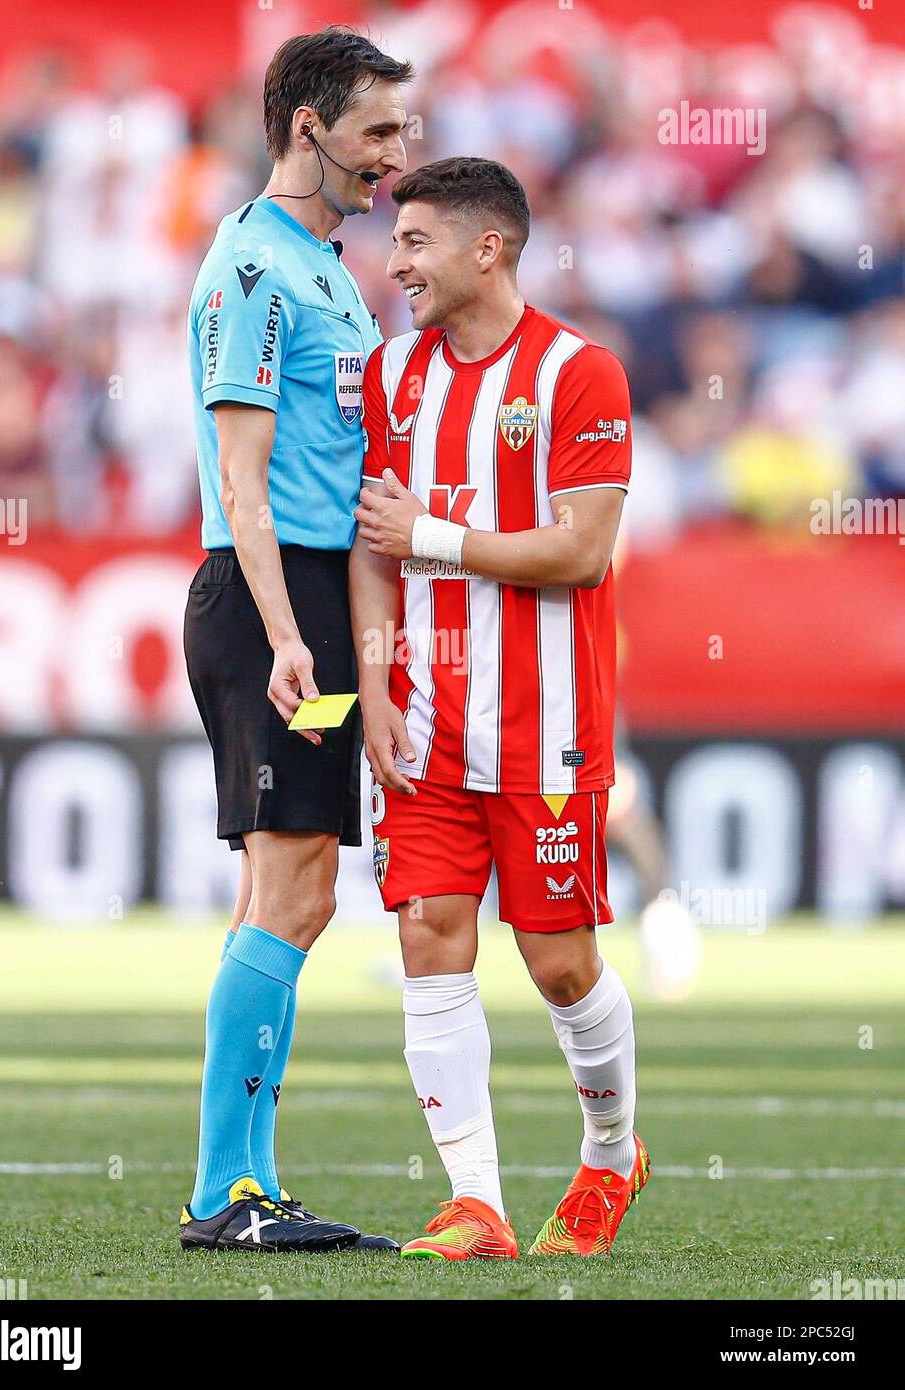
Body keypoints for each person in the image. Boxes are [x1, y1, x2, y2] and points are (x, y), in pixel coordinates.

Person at [350, 157, 648, 1260]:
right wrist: (376, 680)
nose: (397, 263)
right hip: (425, 721)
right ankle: (477, 1202)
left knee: (560, 963)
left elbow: (580, 551)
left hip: (549, 725)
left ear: (490, 247)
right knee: (428, 932)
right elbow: (369, 545)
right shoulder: (392, 378)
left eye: (417, 241)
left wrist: (432, 533)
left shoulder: (580, 373)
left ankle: (612, 1155)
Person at [179, 27, 411, 1254]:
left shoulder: (326, 268)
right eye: (376, 131)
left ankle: (249, 1184)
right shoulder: (257, 272)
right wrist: (289, 636)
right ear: (307, 127)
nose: (394, 157)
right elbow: (245, 479)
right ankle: (227, 1196)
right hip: (276, 605)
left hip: (312, 601)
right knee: (298, 891)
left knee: (282, 894)